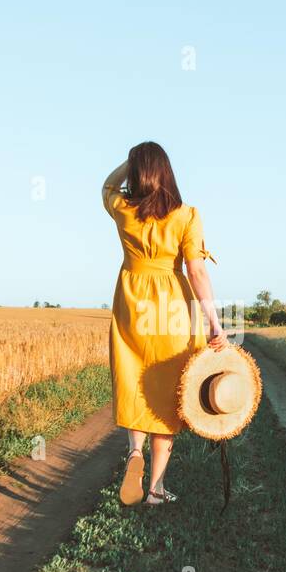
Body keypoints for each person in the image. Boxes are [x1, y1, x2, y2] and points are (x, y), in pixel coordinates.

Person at [102, 142, 227, 505]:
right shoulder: (186, 215)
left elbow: (106, 186)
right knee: (166, 396)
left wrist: (130, 164)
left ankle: (134, 452)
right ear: (167, 172)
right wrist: (215, 323)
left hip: (130, 303)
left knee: (134, 380)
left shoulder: (123, 208)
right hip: (171, 309)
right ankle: (155, 489)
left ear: (137, 172)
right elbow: (198, 271)